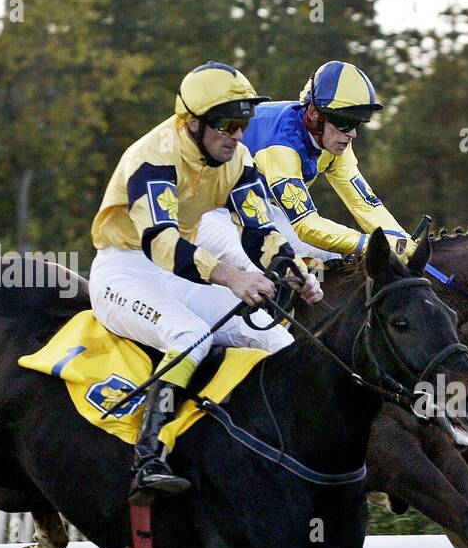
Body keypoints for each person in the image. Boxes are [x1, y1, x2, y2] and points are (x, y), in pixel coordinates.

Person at [89, 61, 322, 501]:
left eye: (244, 123)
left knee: (278, 342)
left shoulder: (238, 159)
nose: (237, 135)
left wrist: (295, 270)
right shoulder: (154, 154)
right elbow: (160, 243)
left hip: (180, 271)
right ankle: (148, 458)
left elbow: (258, 231)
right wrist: (231, 276)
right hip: (124, 269)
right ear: (193, 124)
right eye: (228, 124)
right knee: (191, 334)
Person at [198, 60, 411, 266]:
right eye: (345, 123)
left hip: (250, 206)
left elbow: (364, 203)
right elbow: (306, 226)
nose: (352, 134)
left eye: (357, 124)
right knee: (265, 261)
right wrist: (373, 245)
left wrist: (403, 241)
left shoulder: (333, 140)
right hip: (202, 208)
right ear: (314, 114)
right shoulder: (281, 145)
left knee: (331, 257)